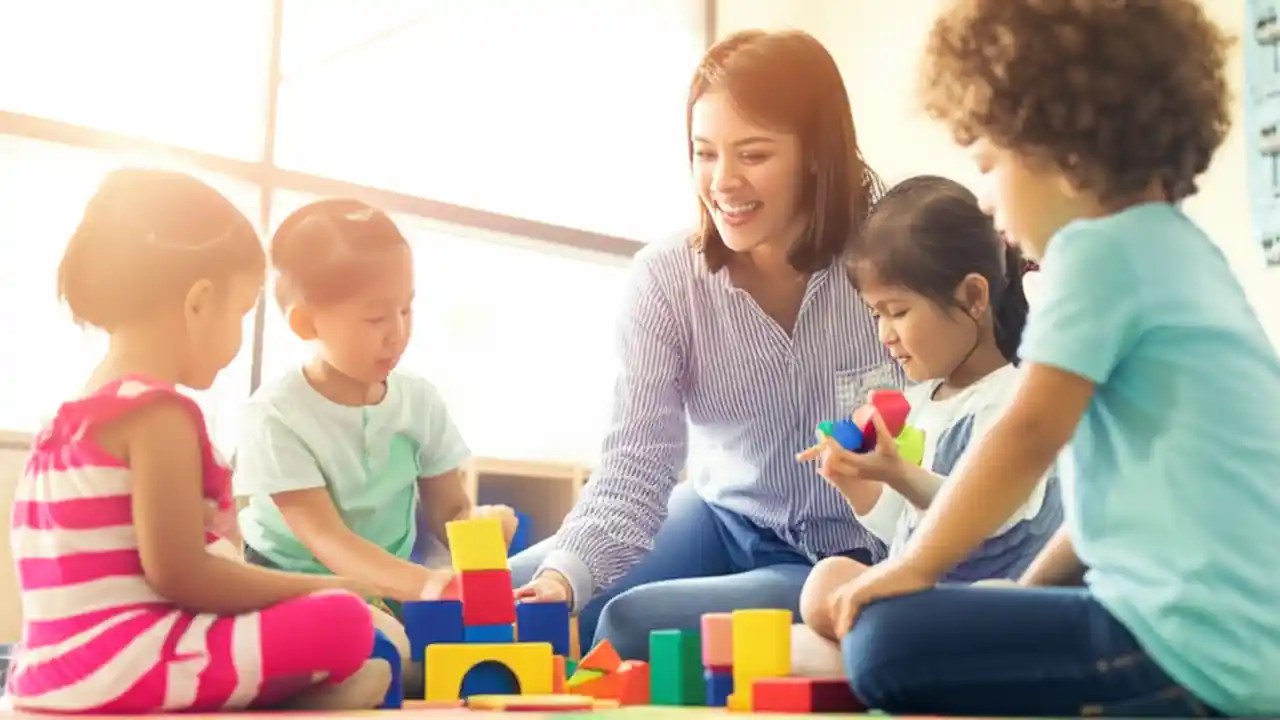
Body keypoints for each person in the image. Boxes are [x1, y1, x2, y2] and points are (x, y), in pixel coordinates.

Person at [831, 1, 1280, 717]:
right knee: (969, 623)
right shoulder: (1184, 257)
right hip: (1248, 656)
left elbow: (1027, 435)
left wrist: (916, 566)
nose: (985, 195)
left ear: (1063, 154)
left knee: (884, 641)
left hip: (1180, 649)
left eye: (988, 163)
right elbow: (1103, 521)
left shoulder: (1093, 253)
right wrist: (1023, 599)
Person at [511, 28, 900, 660]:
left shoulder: (894, 256)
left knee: (633, 625)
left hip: (839, 557)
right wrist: (565, 575)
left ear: (816, 155)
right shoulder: (667, 277)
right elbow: (638, 460)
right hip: (718, 518)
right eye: (705, 152)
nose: (723, 182)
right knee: (512, 593)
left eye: (753, 154)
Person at [6, 169, 392, 713]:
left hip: (46, 673)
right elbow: (182, 574)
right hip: (123, 670)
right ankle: (288, 700)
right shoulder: (158, 413)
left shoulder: (66, 422)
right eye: (239, 313)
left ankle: (291, 691)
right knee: (344, 620)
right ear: (198, 303)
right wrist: (323, 587)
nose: (237, 335)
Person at [232, 199, 516, 691]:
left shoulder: (419, 402)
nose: (399, 333)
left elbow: (450, 513)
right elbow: (327, 540)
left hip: (393, 584)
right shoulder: (276, 415)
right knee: (375, 645)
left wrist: (483, 527)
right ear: (306, 324)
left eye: (407, 308)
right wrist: (425, 584)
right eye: (376, 318)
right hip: (291, 584)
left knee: (442, 651)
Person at [796, 175, 1062, 642]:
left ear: (974, 298)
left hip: (982, 593)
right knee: (826, 581)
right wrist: (860, 482)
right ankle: (872, 648)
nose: (885, 334)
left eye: (898, 312)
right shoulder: (919, 403)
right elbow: (903, 528)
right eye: (875, 314)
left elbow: (987, 515)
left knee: (983, 604)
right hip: (919, 590)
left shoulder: (1014, 399)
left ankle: (878, 650)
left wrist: (900, 473)